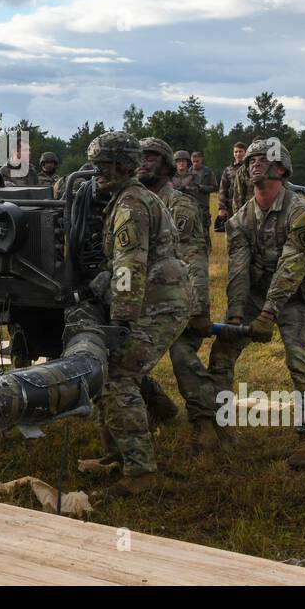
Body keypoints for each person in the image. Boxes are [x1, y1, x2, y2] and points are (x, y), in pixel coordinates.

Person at [204, 138, 305, 469]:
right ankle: (219, 428)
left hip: (296, 296)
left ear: (281, 169)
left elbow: (292, 267)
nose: (254, 164)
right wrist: (235, 315)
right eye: (250, 160)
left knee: (299, 359)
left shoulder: (300, 211)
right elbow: (238, 270)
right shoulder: (239, 220)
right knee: (222, 352)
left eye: (263, 159)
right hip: (255, 295)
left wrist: (267, 313)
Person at [76, 132, 192, 497]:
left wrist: (122, 319)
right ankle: (118, 453)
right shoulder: (128, 199)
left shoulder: (129, 207)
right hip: (154, 296)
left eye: (103, 166)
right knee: (112, 370)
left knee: (117, 375)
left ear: (122, 166)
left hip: (160, 302)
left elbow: (130, 266)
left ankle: (140, 472)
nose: (97, 173)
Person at [135, 138, 213, 436]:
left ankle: (204, 422)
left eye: (151, 157)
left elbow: (195, 257)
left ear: (166, 165)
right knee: (120, 357)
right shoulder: (129, 201)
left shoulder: (179, 206)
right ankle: (158, 405)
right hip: (138, 299)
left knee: (183, 357)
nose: (143, 161)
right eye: (139, 156)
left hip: (175, 300)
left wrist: (200, 309)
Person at [216, 141, 248, 232]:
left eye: (240, 151)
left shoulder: (250, 168)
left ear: (245, 152)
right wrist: (222, 208)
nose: (238, 154)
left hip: (248, 206)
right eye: (236, 152)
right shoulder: (228, 170)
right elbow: (222, 190)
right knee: (232, 234)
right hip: (231, 208)